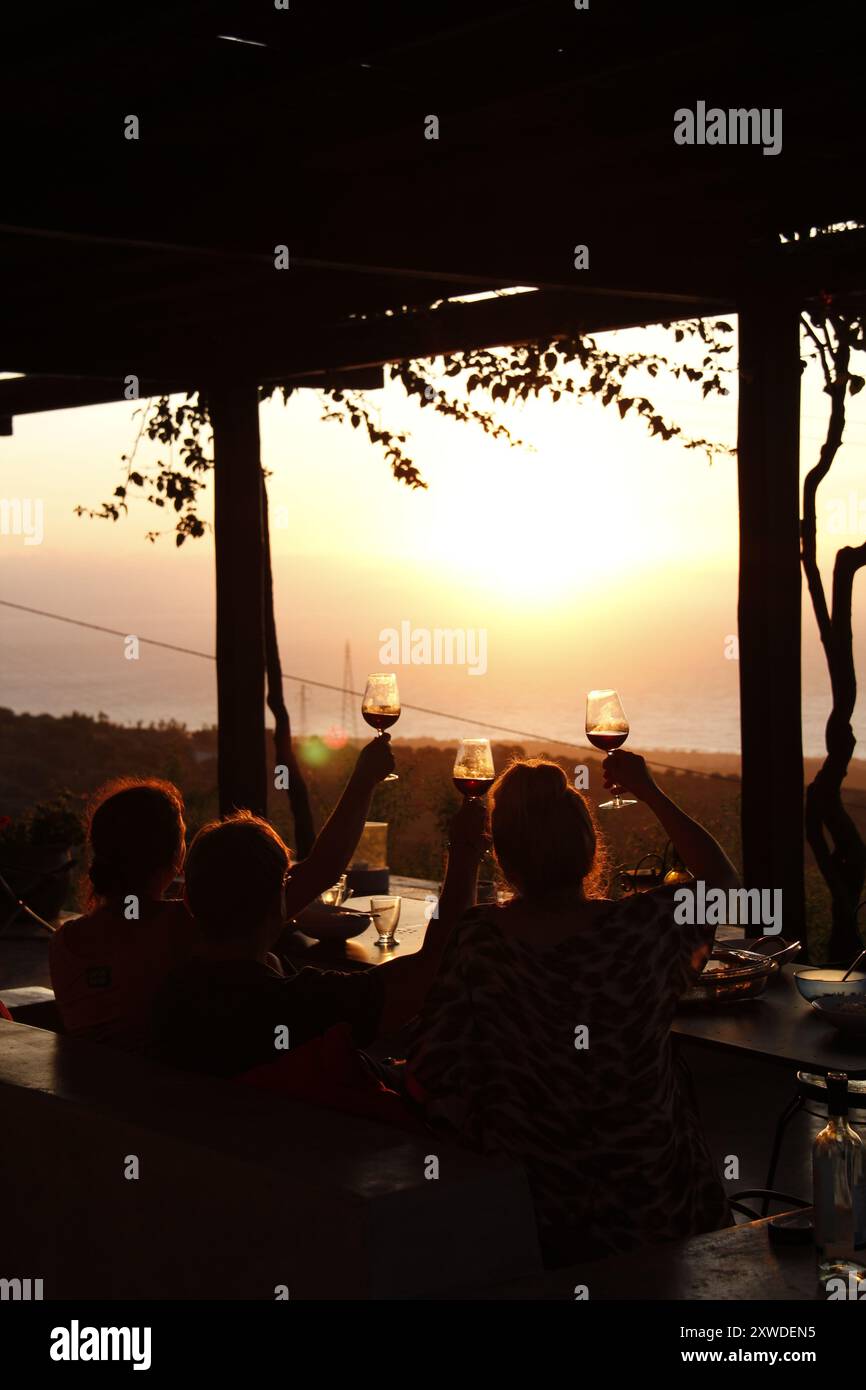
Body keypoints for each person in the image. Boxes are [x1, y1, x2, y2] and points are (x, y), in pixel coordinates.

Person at [405, 751, 736, 1269]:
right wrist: (649, 790)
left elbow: (433, 1062)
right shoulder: (643, 927)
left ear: (505, 857)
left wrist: (465, 851)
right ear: (587, 846)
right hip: (657, 1204)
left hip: (534, 1212)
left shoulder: (481, 943)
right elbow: (726, 887)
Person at [149, 736, 484, 1078]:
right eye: (285, 883)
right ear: (281, 904)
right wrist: (465, 852)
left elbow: (320, 870)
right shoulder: (300, 1006)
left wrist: (364, 779)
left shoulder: (166, 989)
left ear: (189, 899)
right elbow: (432, 968)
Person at [49, 778, 195, 1051]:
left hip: (86, 1086)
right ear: (175, 855)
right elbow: (258, 915)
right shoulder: (182, 924)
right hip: (161, 1089)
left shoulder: (63, 941)